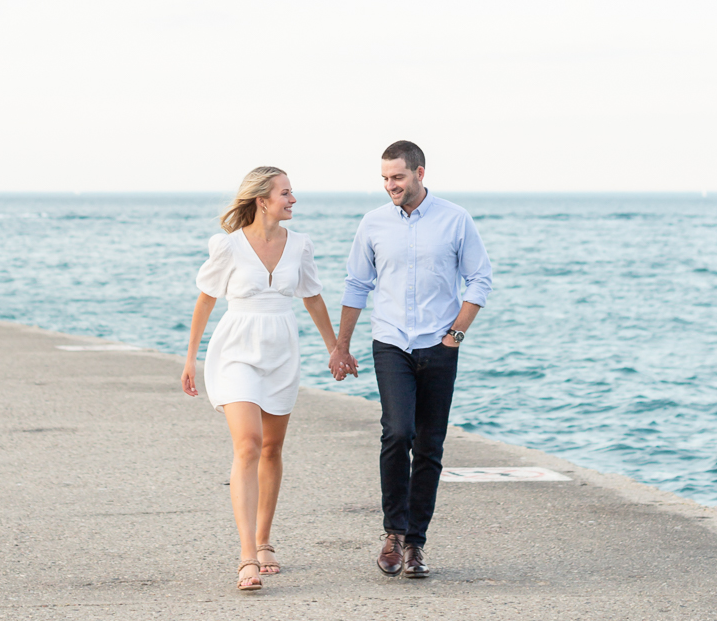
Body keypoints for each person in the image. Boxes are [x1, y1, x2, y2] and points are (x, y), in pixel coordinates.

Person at [328, 140, 492, 578]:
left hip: (439, 344)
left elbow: (480, 279)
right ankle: (393, 533)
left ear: (420, 172)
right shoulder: (373, 224)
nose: (390, 186)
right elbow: (356, 285)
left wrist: (456, 334)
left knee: (430, 445)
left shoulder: (455, 220)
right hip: (392, 342)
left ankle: (416, 544)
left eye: (397, 177)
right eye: (384, 178)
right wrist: (341, 346)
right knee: (397, 432)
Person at [182, 166, 342, 591]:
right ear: (262, 199)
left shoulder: (300, 246)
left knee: (272, 447)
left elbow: (312, 298)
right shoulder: (229, 247)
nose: (293, 200)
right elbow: (206, 300)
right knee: (248, 443)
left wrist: (335, 348)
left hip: (281, 349)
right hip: (236, 349)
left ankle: (265, 539)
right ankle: (246, 556)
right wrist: (190, 358)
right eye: (286, 193)